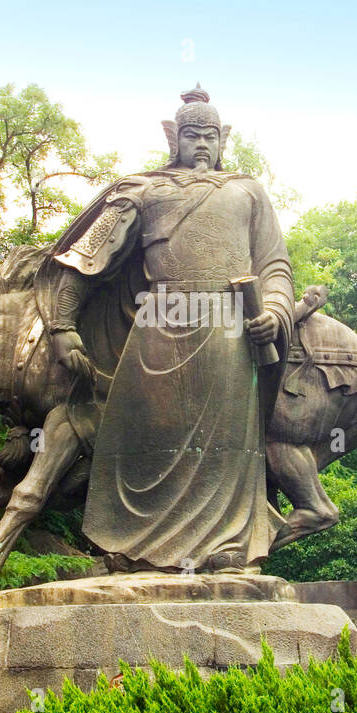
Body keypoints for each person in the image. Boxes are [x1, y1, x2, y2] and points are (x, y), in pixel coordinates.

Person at [45, 85, 294, 573]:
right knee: (146, 434)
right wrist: (60, 324)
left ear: (223, 139)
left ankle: (226, 546)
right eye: (191, 135)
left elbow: (274, 266)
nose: (201, 145)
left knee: (225, 443)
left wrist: (277, 312)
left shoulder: (248, 192)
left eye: (210, 137)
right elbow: (85, 261)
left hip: (228, 330)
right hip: (159, 323)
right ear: (172, 136)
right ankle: (132, 545)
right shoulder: (144, 190)